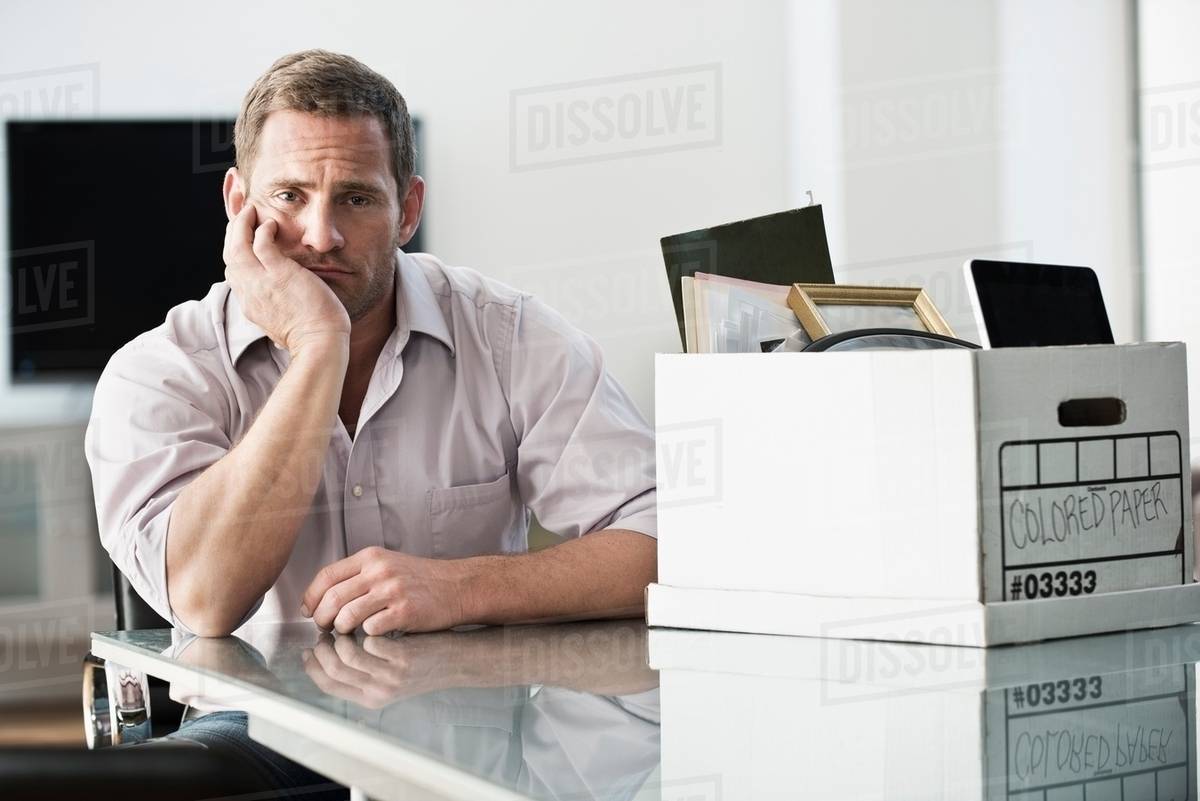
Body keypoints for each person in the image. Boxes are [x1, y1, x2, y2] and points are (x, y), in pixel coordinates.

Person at [84, 49, 657, 799]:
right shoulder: (160, 371)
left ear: (408, 209)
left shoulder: (509, 335)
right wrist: (319, 346)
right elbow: (205, 597)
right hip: (257, 748)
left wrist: (461, 589)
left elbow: (666, 543)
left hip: (474, 748)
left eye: (355, 198)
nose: (319, 236)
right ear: (238, 203)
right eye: (288, 195)